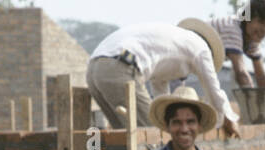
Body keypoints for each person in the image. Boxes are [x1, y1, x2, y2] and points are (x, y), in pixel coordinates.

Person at [87, 17, 240, 137]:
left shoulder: (172, 44)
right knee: (150, 136)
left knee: (126, 136)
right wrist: (228, 118)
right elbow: (213, 89)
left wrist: (167, 124)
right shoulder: (202, 49)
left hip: (95, 69)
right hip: (120, 68)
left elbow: (160, 94)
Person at [210, 0, 265, 91]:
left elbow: (261, 76)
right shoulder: (232, 29)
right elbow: (241, 72)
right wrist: (252, 101)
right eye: (261, 22)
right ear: (247, 19)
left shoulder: (250, 38)